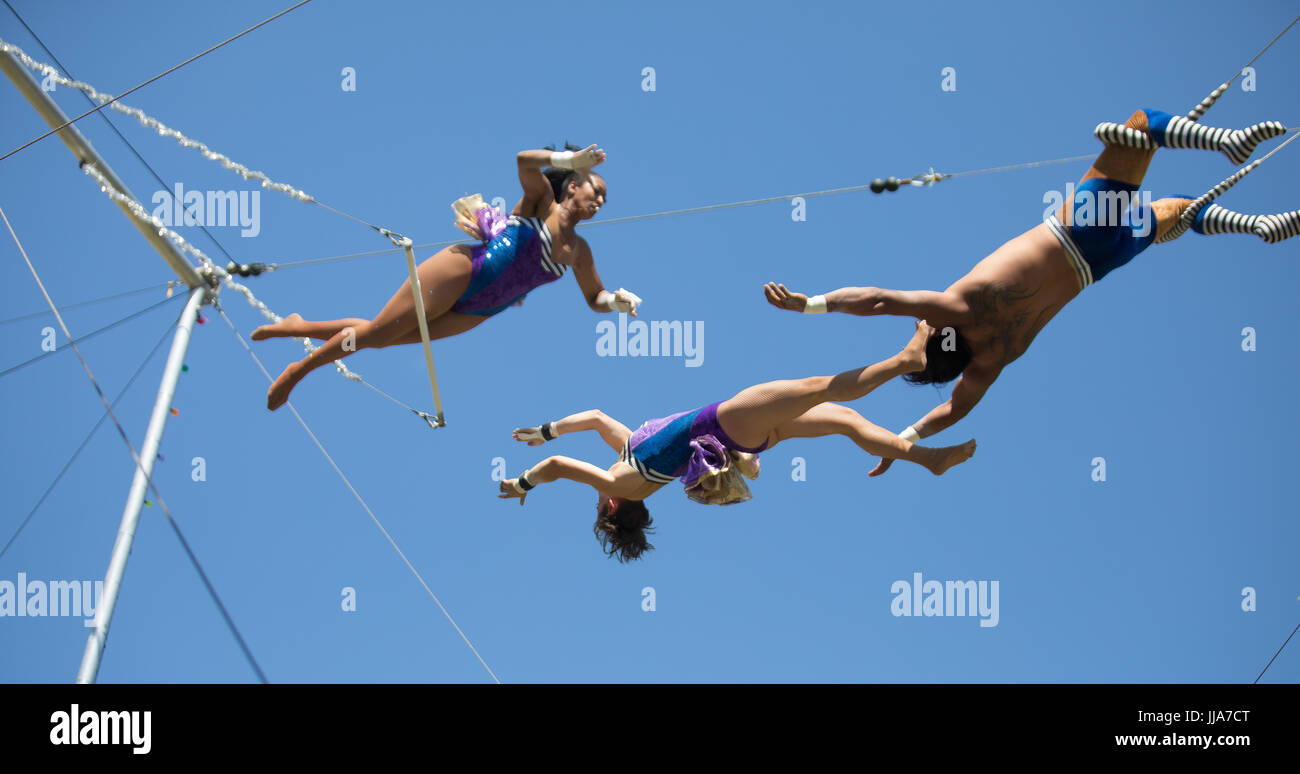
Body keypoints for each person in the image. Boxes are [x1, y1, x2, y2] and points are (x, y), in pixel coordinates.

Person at [764, 108, 1292, 476]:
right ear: (937, 335)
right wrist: (810, 303)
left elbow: (955, 410)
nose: (918, 324)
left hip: (1100, 265)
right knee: (1142, 125)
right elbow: (878, 299)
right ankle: (1227, 143)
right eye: (920, 331)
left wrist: (905, 441)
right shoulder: (954, 309)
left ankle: (1256, 226)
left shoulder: (992, 360)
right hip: (1078, 231)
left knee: (1176, 210)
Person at [497, 322, 976, 562]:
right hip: (727, 424)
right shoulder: (625, 483)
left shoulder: (630, 458)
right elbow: (560, 465)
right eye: (600, 504)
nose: (598, 496)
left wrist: (546, 429)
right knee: (819, 387)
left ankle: (926, 458)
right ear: (614, 509)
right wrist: (524, 482)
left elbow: (597, 417)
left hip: (740, 432)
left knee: (844, 419)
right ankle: (909, 359)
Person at [253, 144, 642, 409]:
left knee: (381, 336)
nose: (601, 201)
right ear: (573, 183)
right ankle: (299, 370)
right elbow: (524, 160)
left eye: (605, 199)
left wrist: (616, 302)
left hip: (480, 311)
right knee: (376, 334)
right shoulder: (542, 202)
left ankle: (299, 326)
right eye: (597, 189)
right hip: (462, 270)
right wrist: (568, 158)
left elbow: (595, 297)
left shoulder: (580, 252)